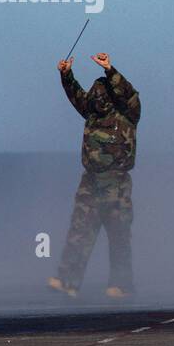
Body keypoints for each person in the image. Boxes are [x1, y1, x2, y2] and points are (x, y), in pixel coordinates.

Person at [49, 52, 141, 299]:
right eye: (94, 95)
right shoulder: (91, 114)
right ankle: (68, 279)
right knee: (80, 229)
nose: (97, 99)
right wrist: (66, 74)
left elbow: (129, 94)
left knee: (119, 233)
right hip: (91, 181)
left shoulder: (128, 114)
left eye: (101, 95)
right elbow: (76, 95)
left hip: (117, 181)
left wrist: (110, 70)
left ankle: (120, 284)